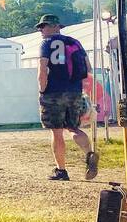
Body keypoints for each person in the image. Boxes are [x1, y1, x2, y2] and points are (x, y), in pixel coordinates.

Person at [35, 14, 98, 181]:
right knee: (73, 128)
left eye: (44, 26)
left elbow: (42, 69)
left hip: (53, 92)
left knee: (56, 132)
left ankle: (61, 170)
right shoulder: (74, 42)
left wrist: (42, 90)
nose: (41, 30)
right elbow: (88, 67)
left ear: (55, 27)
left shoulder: (46, 43)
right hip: (74, 91)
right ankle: (89, 153)